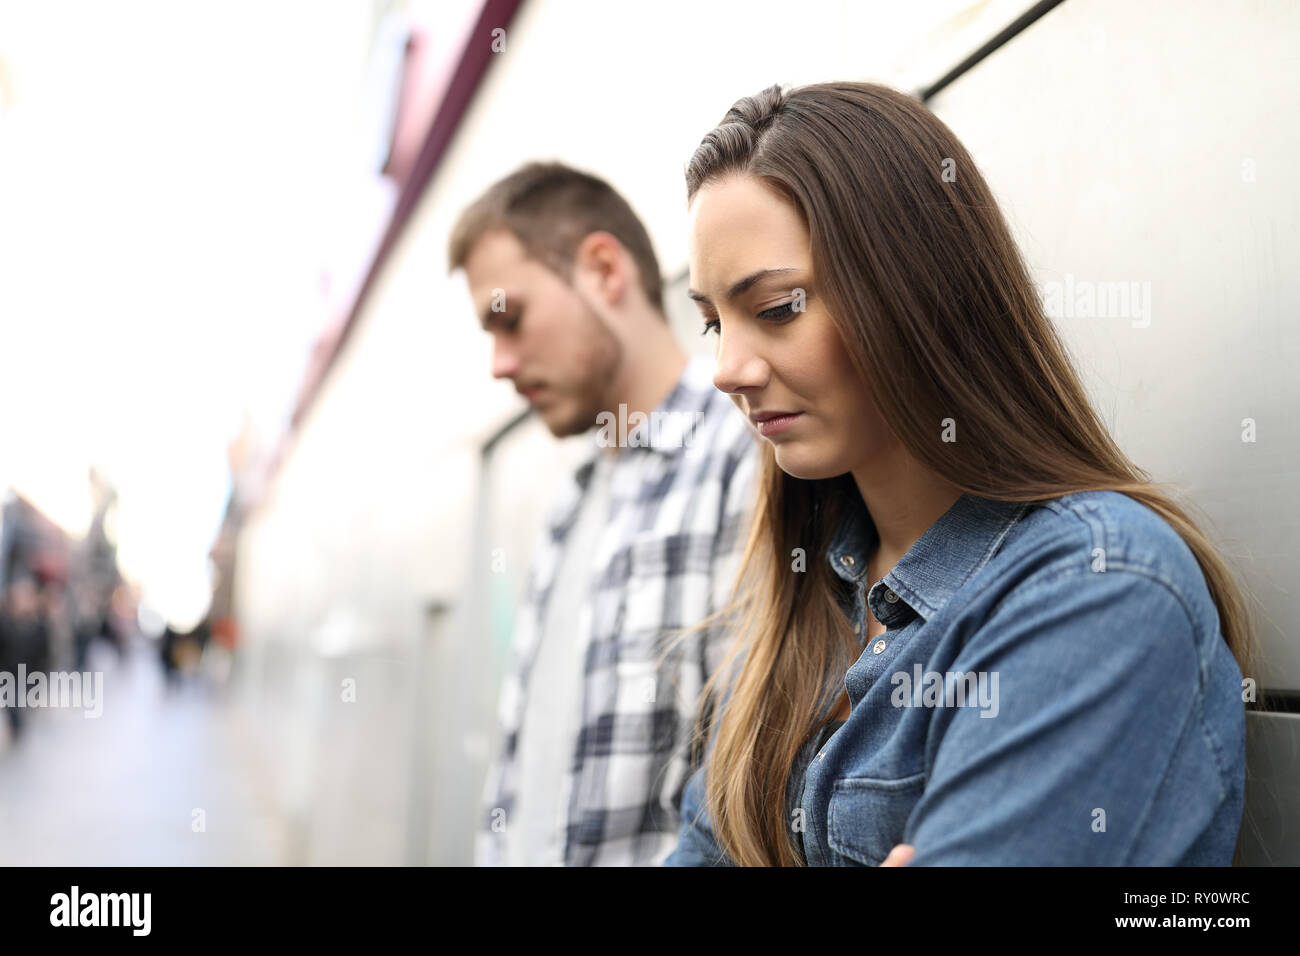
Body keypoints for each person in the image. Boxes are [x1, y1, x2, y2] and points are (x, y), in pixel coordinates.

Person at [663, 81, 1254, 867]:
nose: (726, 369)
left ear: (912, 292)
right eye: (712, 322)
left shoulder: (1096, 585)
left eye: (776, 309)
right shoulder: (798, 612)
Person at [447, 161, 759, 865]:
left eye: (510, 318)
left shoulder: (743, 457)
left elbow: (751, 788)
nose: (499, 363)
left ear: (603, 270)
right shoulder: (572, 498)